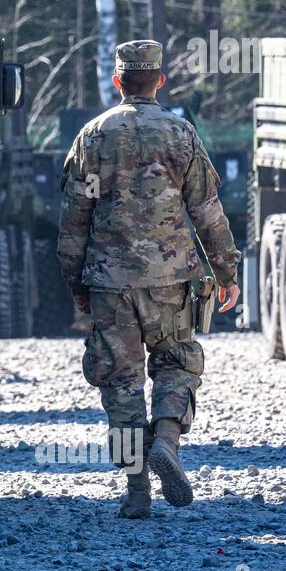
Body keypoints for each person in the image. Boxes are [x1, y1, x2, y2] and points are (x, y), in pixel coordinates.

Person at [57, 40, 241, 518]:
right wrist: (225, 271)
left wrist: (76, 282)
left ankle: (137, 487)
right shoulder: (180, 134)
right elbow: (206, 209)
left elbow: (75, 218)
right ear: (159, 80)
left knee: (119, 382)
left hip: (109, 280)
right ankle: (166, 439)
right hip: (171, 279)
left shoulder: (93, 136)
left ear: (118, 81)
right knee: (176, 364)